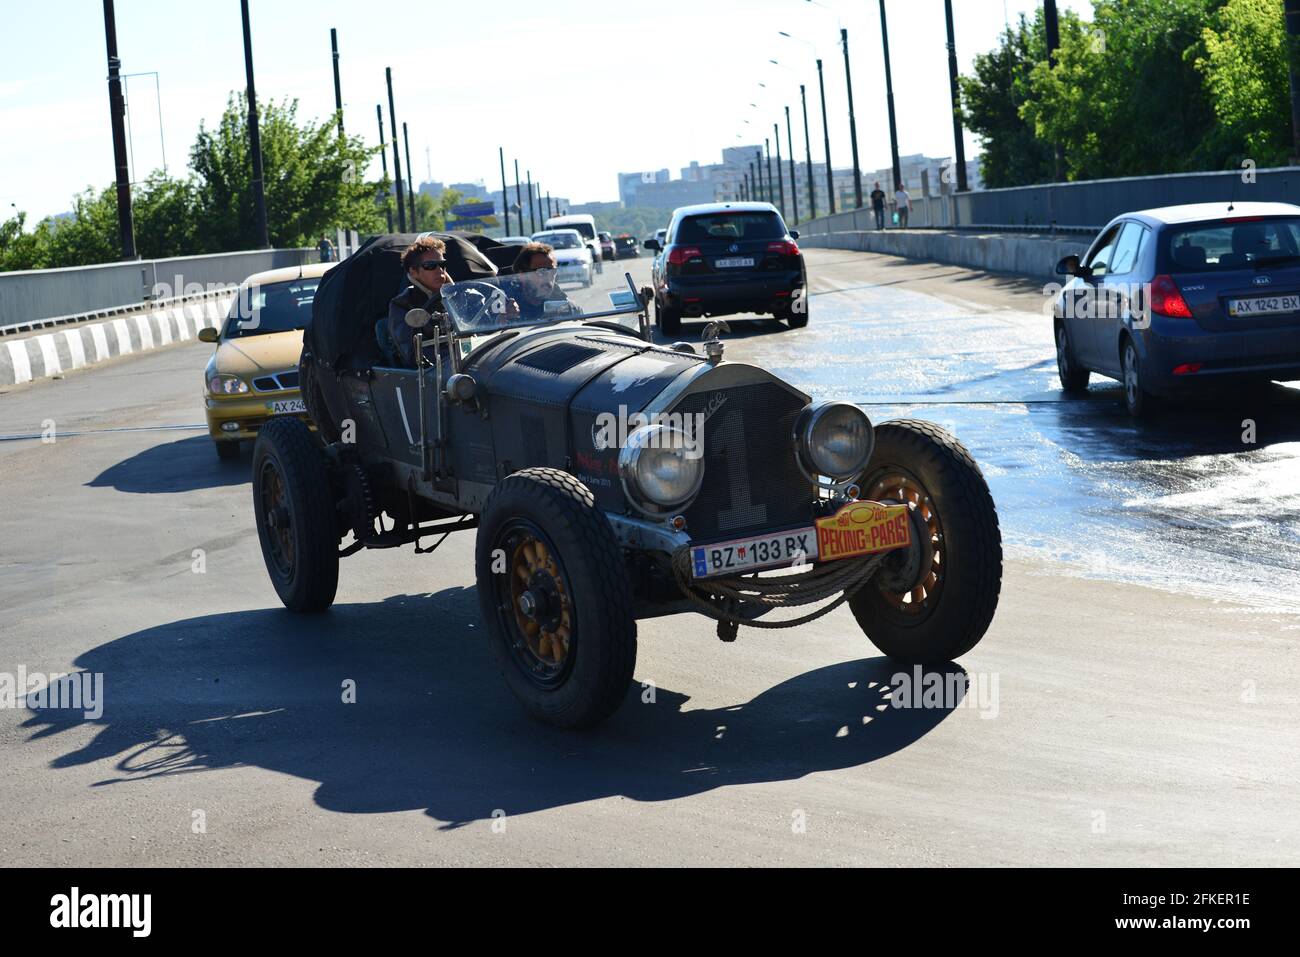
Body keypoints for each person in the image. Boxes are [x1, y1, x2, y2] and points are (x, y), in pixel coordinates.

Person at [385, 236, 452, 366]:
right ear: (413, 272)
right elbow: (413, 353)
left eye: (442, 265)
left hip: (475, 365)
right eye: (430, 266)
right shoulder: (402, 304)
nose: (439, 271)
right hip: (437, 373)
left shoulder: (456, 296)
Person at [507, 242, 571, 321]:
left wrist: (571, 310)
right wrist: (503, 319)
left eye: (552, 271)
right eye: (541, 271)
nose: (548, 277)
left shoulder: (564, 302)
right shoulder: (506, 303)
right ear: (522, 275)